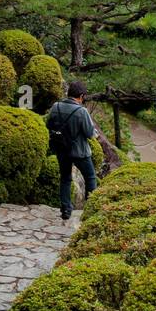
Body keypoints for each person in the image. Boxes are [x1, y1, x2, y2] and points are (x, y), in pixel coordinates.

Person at [46, 80, 97, 220]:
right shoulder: (82, 111)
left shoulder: (56, 106)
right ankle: (90, 210)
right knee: (90, 178)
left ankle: (66, 210)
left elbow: (49, 124)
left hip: (62, 149)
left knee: (65, 178)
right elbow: (89, 134)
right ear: (81, 96)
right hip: (80, 152)